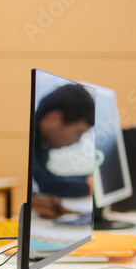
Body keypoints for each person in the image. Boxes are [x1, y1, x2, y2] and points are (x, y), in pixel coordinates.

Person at [31, 83, 96, 218]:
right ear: (53, 119)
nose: (78, 141)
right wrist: (88, 186)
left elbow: (46, 179)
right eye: (79, 133)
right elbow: (49, 185)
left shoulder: (42, 144)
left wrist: (87, 180)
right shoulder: (29, 141)